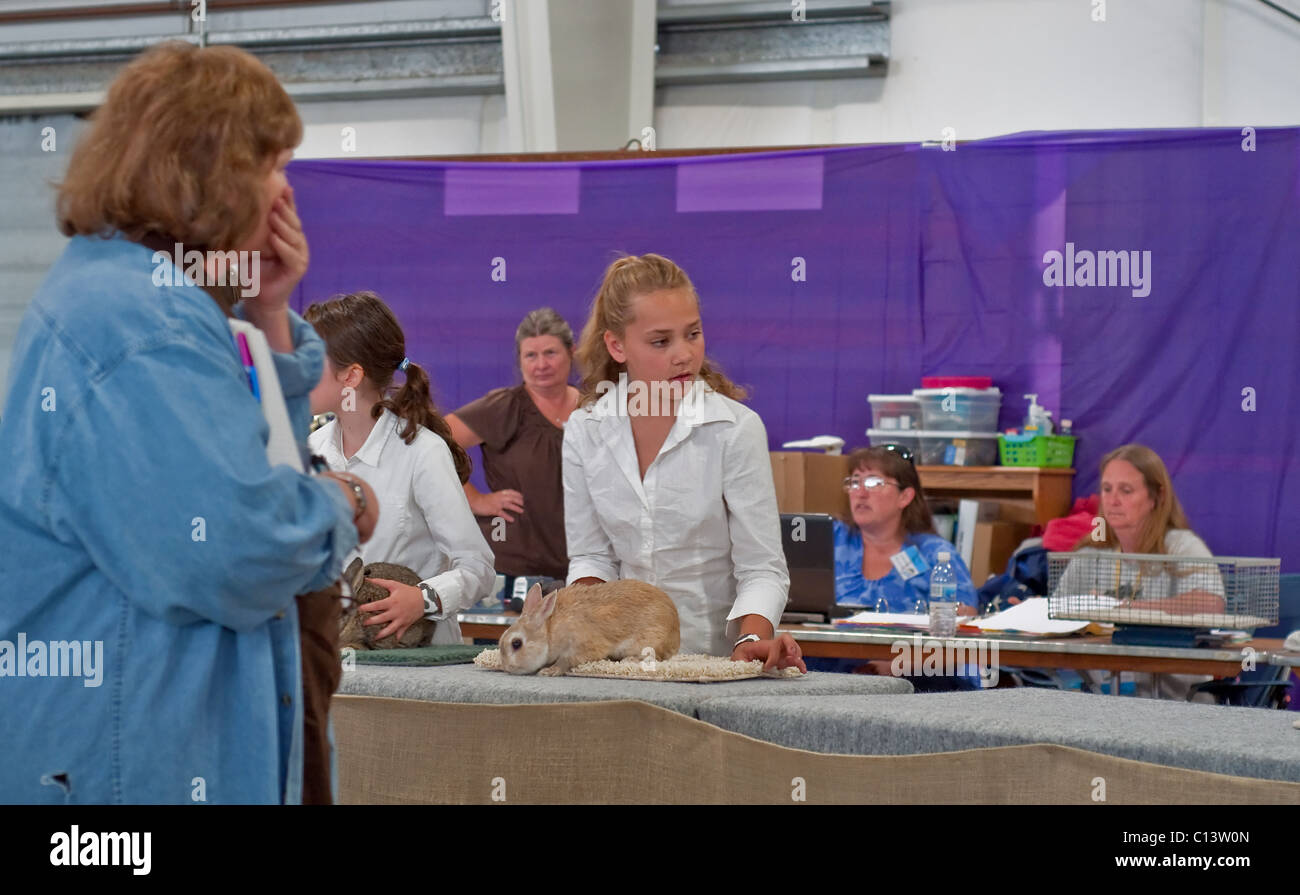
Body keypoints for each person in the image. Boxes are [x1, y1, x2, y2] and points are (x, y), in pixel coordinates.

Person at [0, 41, 374, 804]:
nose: (283, 189)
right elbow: (238, 551)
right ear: (215, 168)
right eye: (271, 163)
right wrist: (340, 505)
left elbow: (267, 464)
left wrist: (269, 310)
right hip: (134, 766)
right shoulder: (144, 325)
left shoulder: (159, 303)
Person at [562, 253, 804, 671]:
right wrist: (587, 624)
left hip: (713, 665)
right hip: (617, 667)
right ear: (617, 346)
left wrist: (751, 638)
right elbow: (590, 558)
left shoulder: (735, 429)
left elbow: (762, 569)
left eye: (693, 334)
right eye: (661, 341)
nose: (684, 354)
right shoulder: (585, 429)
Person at [306, 292, 496, 646]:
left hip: (419, 669)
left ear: (351, 376)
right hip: (335, 663)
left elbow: (478, 567)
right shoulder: (310, 453)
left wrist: (423, 599)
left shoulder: (423, 453)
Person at [1056, 444, 1224, 701]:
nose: (1113, 501)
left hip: (1178, 707)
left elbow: (1211, 604)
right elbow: (1057, 614)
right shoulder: (1090, 553)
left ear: (1157, 496)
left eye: (1126, 490)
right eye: (1107, 489)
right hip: (1101, 703)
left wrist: (1130, 608)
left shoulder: (1181, 545)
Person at [447, 308, 579, 583]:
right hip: (513, 572)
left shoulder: (593, 408)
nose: (541, 364)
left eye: (550, 353)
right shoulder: (504, 407)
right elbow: (435, 442)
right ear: (519, 361)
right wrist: (474, 499)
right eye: (531, 355)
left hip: (583, 569)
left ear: (571, 352)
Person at [833, 444, 978, 614]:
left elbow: (966, 615)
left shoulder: (935, 554)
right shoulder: (830, 539)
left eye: (874, 482)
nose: (860, 493)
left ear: (905, 496)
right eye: (855, 482)